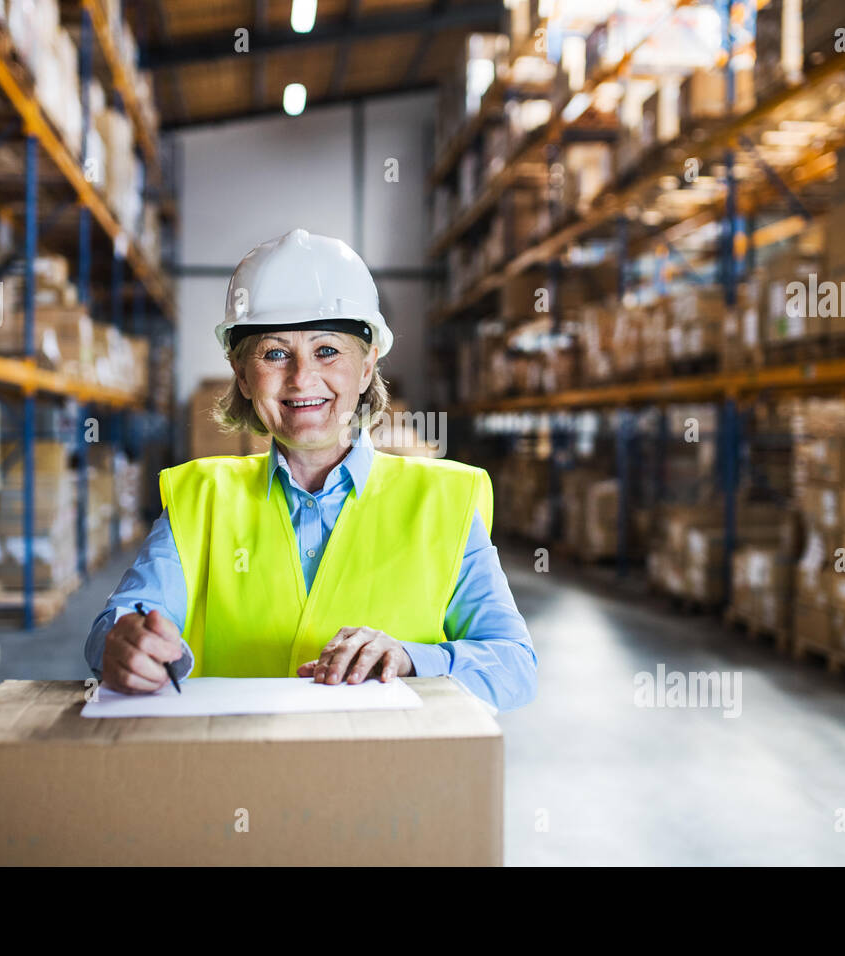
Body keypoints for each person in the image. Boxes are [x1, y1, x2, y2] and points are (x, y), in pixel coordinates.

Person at [84, 228, 536, 711]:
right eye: (275, 353)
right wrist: (126, 642)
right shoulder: (202, 496)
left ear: (366, 368)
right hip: (230, 774)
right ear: (242, 373)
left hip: (386, 777)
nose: (302, 378)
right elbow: (119, 622)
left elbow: (513, 666)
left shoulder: (443, 500)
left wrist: (412, 659)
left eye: (327, 351)